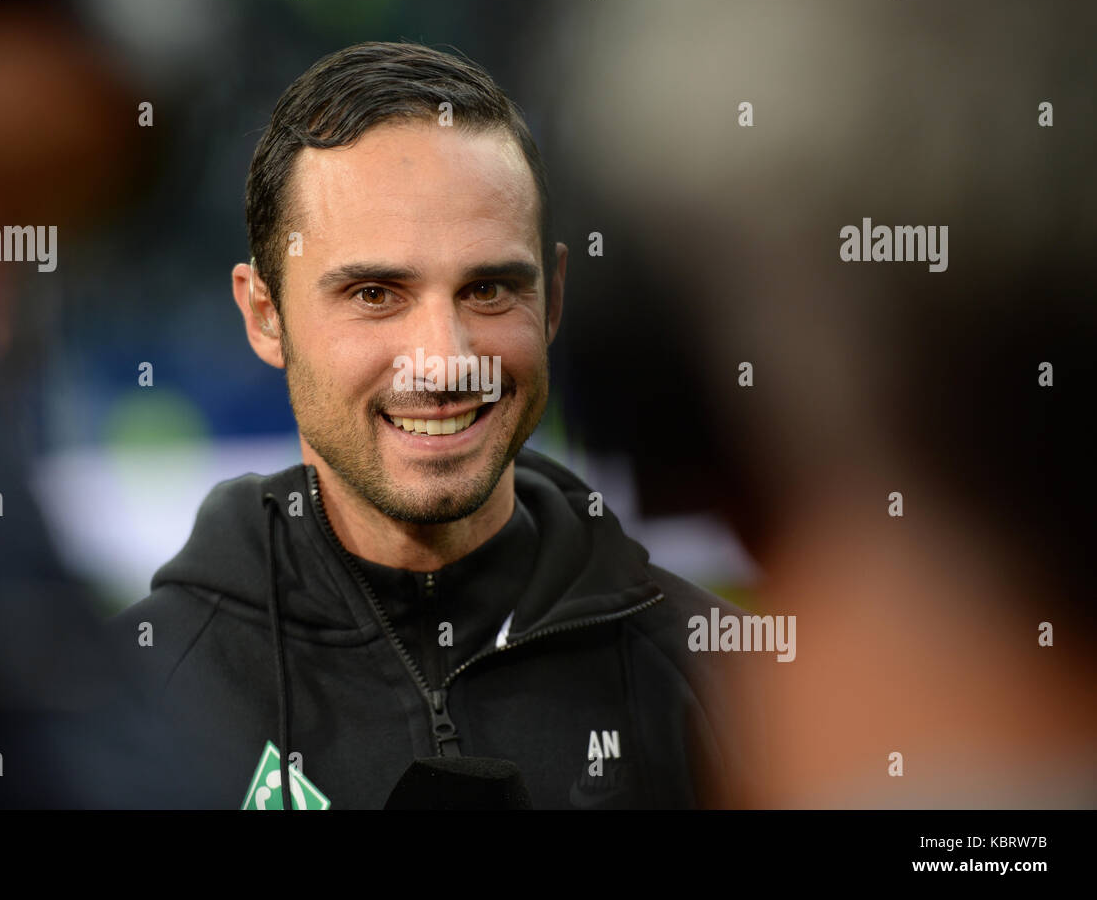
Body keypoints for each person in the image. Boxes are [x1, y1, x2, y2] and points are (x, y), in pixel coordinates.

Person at [110, 41, 765, 809]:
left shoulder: (735, 688)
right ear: (265, 314)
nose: (443, 361)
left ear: (552, 300)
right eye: (376, 294)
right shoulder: (128, 702)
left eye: (488, 288)